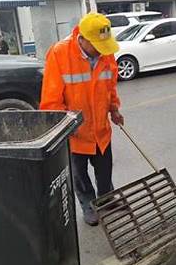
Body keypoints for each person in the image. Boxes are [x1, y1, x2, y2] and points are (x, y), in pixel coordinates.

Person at [40, 13, 124, 226]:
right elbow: (51, 102)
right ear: (83, 38)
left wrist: (114, 108)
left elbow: (110, 86)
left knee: (105, 170)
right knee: (80, 175)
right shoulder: (59, 54)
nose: (101, 50)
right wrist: (68, 127)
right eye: (96, 45)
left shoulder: (106, 52)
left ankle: (106, 200)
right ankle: (88, 204)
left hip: (101, 129)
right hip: (75, 133)